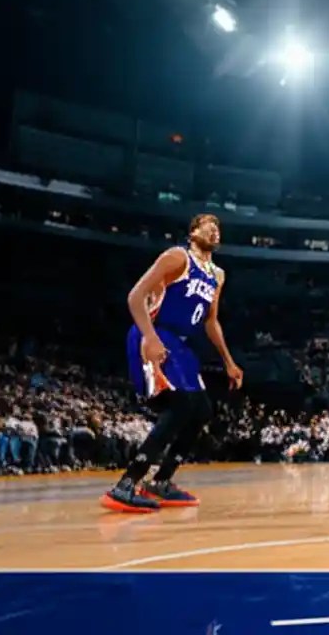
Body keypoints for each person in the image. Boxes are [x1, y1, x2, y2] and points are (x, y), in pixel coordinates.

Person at [101, 214, 243, 513]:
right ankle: (126, 484)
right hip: (156, 333)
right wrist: (150, 338)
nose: (215, 232)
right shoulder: (177, 257)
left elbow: (211, 321)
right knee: (181, 405)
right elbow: (135, 296)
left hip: (182, 345)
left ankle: (162, 481)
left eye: (218, 229)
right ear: (193, 233)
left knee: (202, 410)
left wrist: (229, 361)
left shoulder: (217, 275)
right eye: (209, 227)